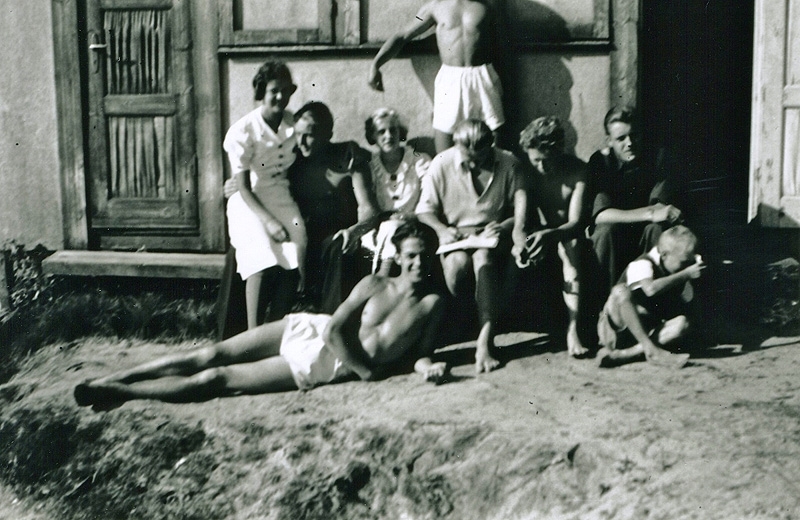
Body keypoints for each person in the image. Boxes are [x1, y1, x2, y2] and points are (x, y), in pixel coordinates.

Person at [73, 219, 448, 410]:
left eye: (424, 255)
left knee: (216, 379)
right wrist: (368, 372)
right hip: (312, 331)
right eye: (410, 254)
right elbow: (334, 329)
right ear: (397, 255)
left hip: (325, 365)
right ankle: (117, 375)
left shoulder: (432, 304)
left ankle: (122, 391)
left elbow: (421, 353)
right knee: (209, 354)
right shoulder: (374, 284)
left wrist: (428, 368)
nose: (417, 262)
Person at [416, 118, 526, 373]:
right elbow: (424, 210)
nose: (475, 164)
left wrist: (504, 226)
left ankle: (485, 340)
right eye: (468, 159)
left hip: (491, 235)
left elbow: (519, 212)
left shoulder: (508, 162)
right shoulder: (442, 163)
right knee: (457, 266)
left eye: (482, 157)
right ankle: (474, 320)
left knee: (483, 260)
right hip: (456, 235)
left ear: (492, 146)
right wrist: (442, 230)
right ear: (457, 147)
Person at [223, 60, 305, 329]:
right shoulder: (243, 130)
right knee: (260, 249)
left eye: (285, 90)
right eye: (273, 90)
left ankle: (273, 329)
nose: (280, 97)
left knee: (297, 244)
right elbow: (243, 187)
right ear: (262, 91)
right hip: (249, 199)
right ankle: (252, 333)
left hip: (279, 193)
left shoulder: (293, 122)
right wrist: (269, 221)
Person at [368, 0, 504, 153]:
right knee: (444, 148)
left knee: (493, 143)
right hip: (450, 80)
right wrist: (376, 65)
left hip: (482, 77)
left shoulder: (489, 6)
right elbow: (403, 35)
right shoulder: (435, 7)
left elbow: (504, 47)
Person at [287, 102, 378, 312]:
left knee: (339, 245)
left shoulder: (347, 155)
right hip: (301, 231)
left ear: (328, 134)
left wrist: (354, 231)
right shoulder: (292, 158)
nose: (302, 143)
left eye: (309, 135)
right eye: (297, 134)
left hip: (338, 232)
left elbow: (369, 209)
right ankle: (230, 333)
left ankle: (331, 323)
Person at [589, 106, 685, 303]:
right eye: (621, 138)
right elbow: (601, 214)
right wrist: (649, 213)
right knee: (605, 232)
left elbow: (662, 209)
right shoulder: (601, 162)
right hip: (616, 238)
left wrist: (654, 215)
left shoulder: (658, 158)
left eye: (634, 135)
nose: (630, 143)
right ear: (609, 141)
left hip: (645, 238)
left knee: (657, 229)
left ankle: (655, 306)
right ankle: (604, 309)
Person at [516, 116, 590, 357]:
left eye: (547, 160)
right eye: (536, 159)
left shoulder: (577, 170)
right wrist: (520, 246)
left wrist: (550, 235)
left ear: (558, 151)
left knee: (572, 246)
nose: (541, 167)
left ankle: (573, 328)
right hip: (539, 232)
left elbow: (576, 222)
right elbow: (520, 223)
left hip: (566, 233)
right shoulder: (525, 171)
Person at [595, 225, 704, 369]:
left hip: (647, 331)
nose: (687, 266)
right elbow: (650, 289)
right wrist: (686, 274)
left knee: (682, 323)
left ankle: (628, 354)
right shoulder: (643, 263)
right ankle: (649, 350)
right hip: (618, 331)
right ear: (664, 254)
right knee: (620, 291)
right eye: (683, 262)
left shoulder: (678, 271)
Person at [340, 108, 432, 276]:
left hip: (414, 224)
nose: (388, 136)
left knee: (392, 227)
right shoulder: (370, 165)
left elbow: (430, 199)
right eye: (381, 131)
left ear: (401, 132)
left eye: (393, 130)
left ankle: (381, 281)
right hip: (378, 226)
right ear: (373, 136)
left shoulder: (419, 161)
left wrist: (410, 216)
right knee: (367, 240)